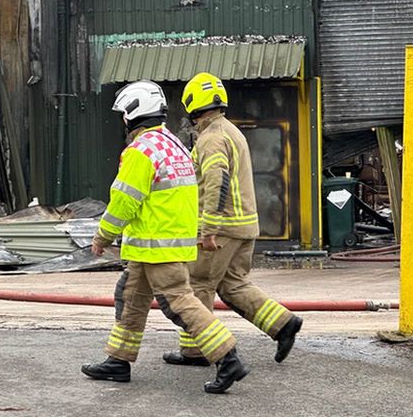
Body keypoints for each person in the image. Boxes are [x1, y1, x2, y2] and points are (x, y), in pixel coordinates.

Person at [81, 80, 249, 394]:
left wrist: (103, 236)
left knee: (183, 304)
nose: (123, 122)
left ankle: (228, 357)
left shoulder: (141, 151)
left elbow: (124, 201)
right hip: (163, 246)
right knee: (131, 299)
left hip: (157, 247)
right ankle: (118, 361)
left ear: (133, 114)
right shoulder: (175, 145)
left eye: (123, 115)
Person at [164, 72, 303, 368]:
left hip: (222, 230)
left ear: (192, 104)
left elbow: (217, 182)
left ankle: (196, 351)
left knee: (197, 285)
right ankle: (283, 324)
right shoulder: (230, 131)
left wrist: (209, 229)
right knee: (233, 285)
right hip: (243, 226)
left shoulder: (211, 139)